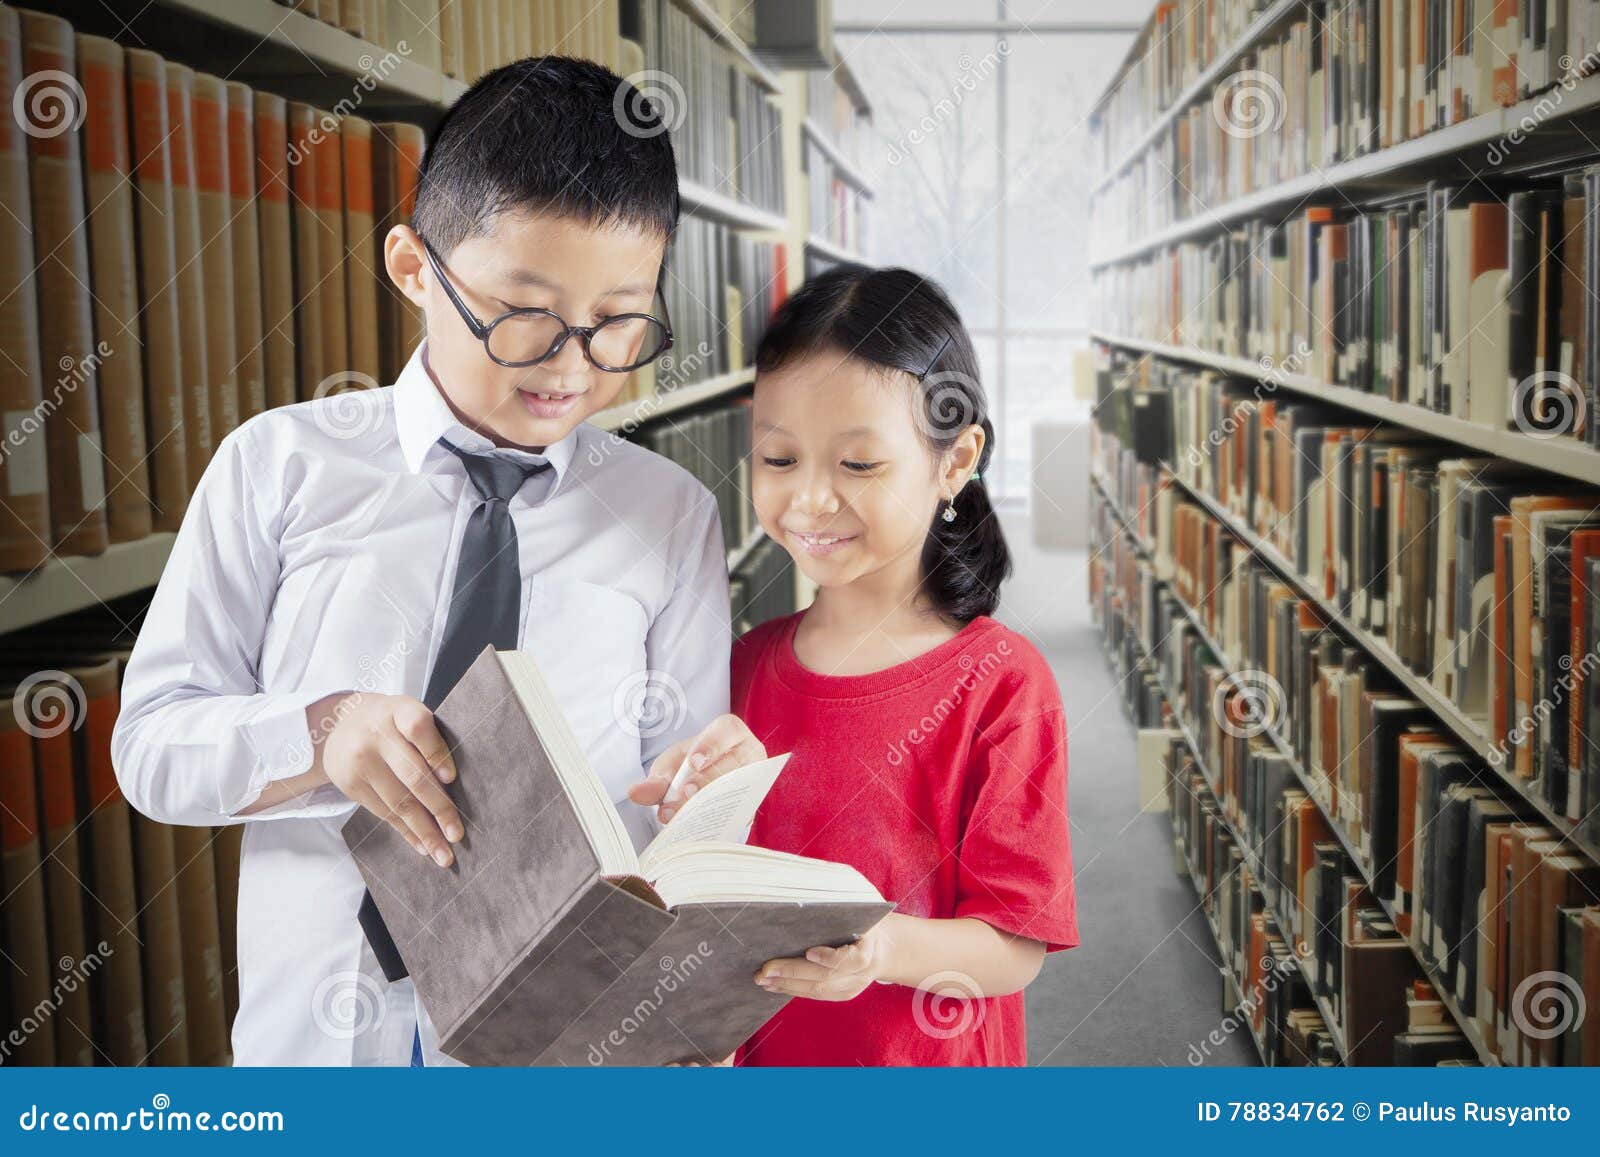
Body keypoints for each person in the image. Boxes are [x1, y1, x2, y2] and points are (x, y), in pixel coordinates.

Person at [111, 56, 731, 1066]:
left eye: (619, 321)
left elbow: (683, 801)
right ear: (412, 267)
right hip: (317, 1044)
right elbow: (152, 749)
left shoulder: (669, 516)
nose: (571, 368)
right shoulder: (280, 466)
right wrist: (321, 733)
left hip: (557, 1052)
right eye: (525, 313)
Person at [630, 266, 1078, 1065]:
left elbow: (1016, 947)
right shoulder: (743, 664)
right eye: (778, 459)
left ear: (954, 458)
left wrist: (882, 951)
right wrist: (686, 810)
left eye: (858, 466)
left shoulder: (1003, 684)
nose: (809, 501)